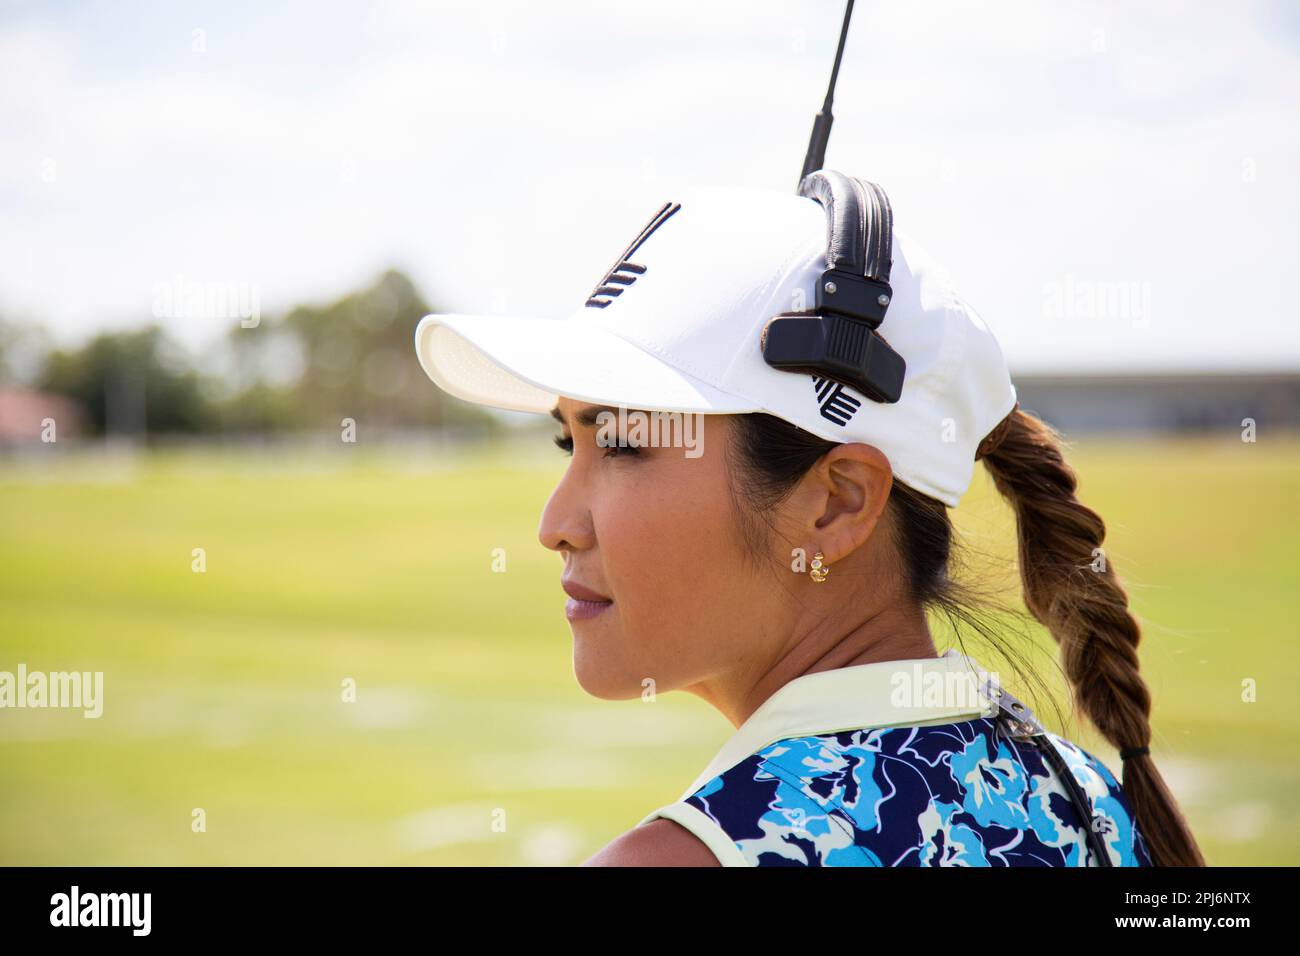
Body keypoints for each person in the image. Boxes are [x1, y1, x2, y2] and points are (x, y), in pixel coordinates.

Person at [412, 182, 1204, 867]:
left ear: (836, 504)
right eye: (568, 439)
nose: (555, 523)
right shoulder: (1091, 805)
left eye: (622, 442)